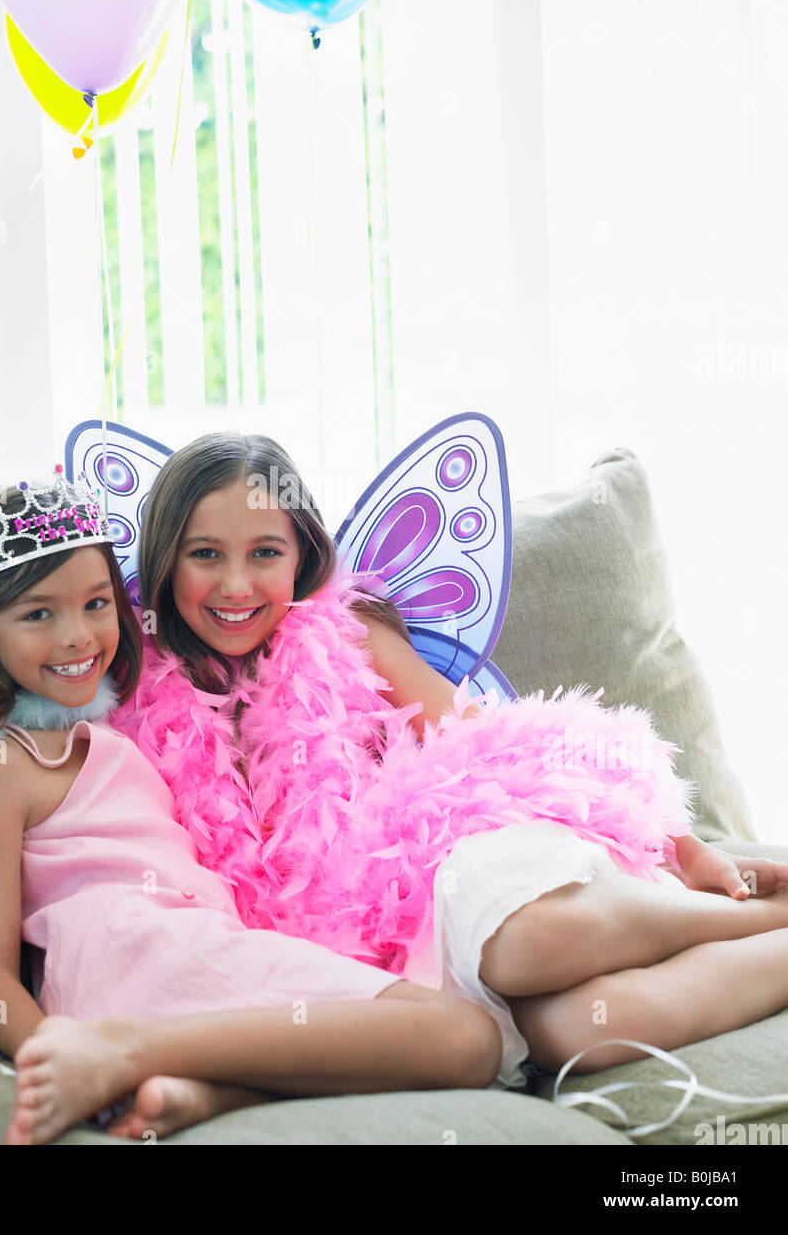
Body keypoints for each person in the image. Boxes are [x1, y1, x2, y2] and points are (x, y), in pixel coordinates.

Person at [107, 431, 788, 1118]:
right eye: (204, 555)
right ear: (165, 560)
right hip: (386, 959)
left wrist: (680, 844)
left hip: (466, 865)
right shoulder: (134, 700)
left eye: (264, 553)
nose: (234, 584)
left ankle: (729, 915)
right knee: (581, 1031)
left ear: (302, 556)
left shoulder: (345, 635)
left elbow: (496, 741)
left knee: (521, 944)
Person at [0, 467, 503, 1145]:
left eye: (97, 604)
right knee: (463, 1036)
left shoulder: (112, 728)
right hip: (135, 953)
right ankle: (128, 1054)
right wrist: (56, 1050)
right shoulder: (1, 764)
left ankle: (201, 1092)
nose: (76, 636)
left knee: (462, 1040)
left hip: (197, 951)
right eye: (38, 613)